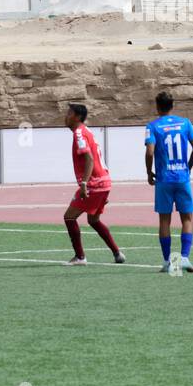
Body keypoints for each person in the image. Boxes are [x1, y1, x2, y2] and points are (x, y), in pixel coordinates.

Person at [144, 91, 193, 272]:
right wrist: (188, 166)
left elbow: (150, 152)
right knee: (187, 218)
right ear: (172, 105)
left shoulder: (152, 126)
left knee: (164, 220)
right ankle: (184, 257)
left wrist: (148, 172)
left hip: (164, 179)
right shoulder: (185, 123)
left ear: (157, 106)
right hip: (182, 177)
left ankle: (169, 262)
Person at [63, 103, 125, 266]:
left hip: (94, 184)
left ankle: (80, 257)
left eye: (69, 113)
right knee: (93, 220)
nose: (66, 115)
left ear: (77, 117)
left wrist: (84, 183)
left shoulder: (79, 134)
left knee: (69, 217)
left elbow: (89, 158)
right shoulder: (87, 131)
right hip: (104, 182)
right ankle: (117, 253)